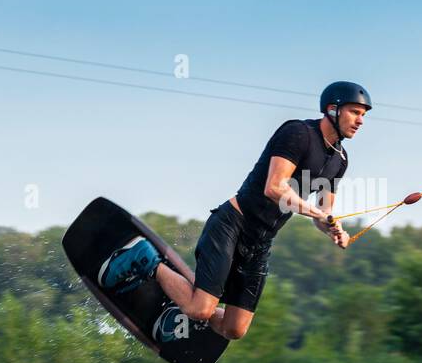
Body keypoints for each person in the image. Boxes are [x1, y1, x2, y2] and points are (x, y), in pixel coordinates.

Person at [96, 81, 371, 343]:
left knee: (235, 328)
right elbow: (275, 188)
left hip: (259, 243)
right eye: (355, 112)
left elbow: (324, 213)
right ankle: (147, 261)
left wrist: (333, 230)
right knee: (201, 309)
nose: (360, 121)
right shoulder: (298, 134)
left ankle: (179, 311)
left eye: (363, 115)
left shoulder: (340, 161)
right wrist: (317, 213)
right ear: (332, 109)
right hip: (232, 225)